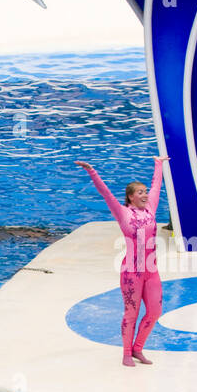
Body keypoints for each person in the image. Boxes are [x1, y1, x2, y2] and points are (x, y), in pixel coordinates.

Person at [76, 155, 171, 366]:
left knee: (155, 312)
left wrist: (159, 164)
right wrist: (92, 171)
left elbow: (157, 186)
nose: (146, 194)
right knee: (132, 312)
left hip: (151, 270)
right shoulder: (122, 213)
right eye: (141, 192)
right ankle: (127, 353)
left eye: (145, 191)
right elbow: (105, 193)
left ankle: (138, 349)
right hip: (131, 272)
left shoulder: (150, 209)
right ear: (130, 197)